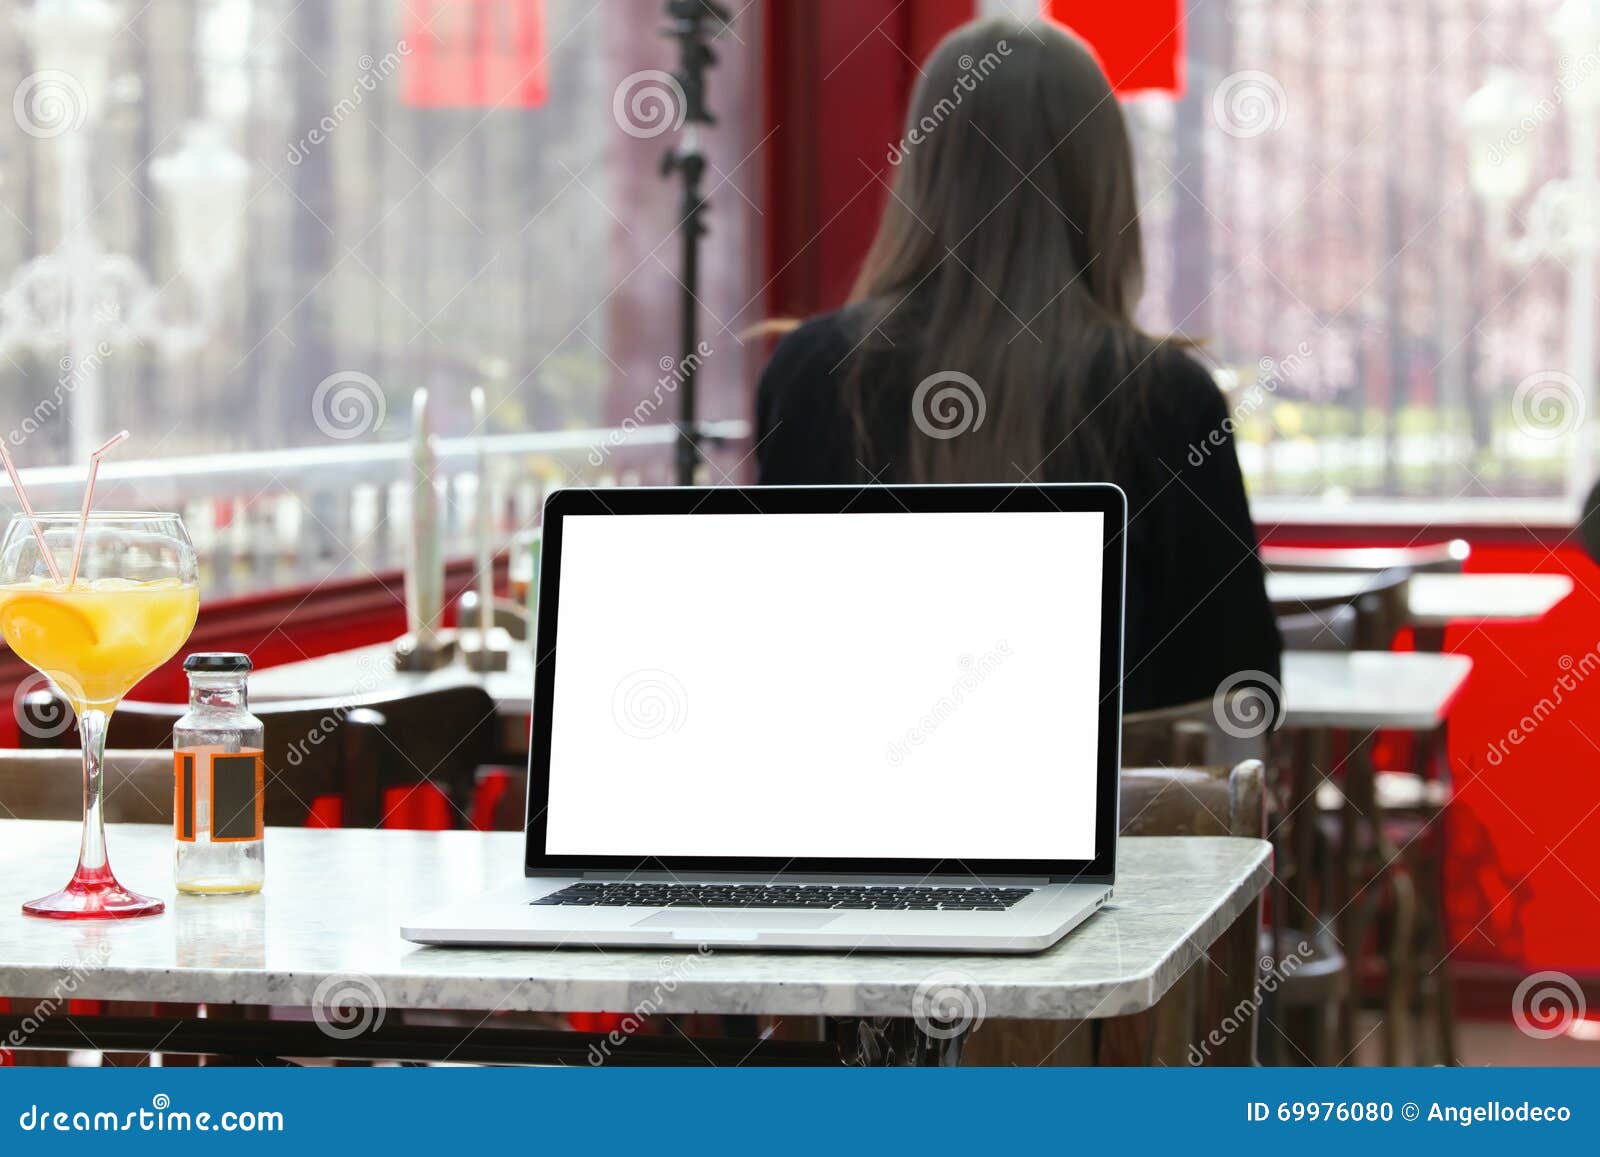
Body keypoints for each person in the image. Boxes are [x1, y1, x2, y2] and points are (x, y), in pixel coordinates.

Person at [754, 17, 1281, 714]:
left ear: (923, 171)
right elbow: (1238, 682)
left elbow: (776, 647)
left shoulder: (810, 373)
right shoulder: (1169, 399)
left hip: (853, 812)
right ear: (1105, 184)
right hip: (1115, 820)